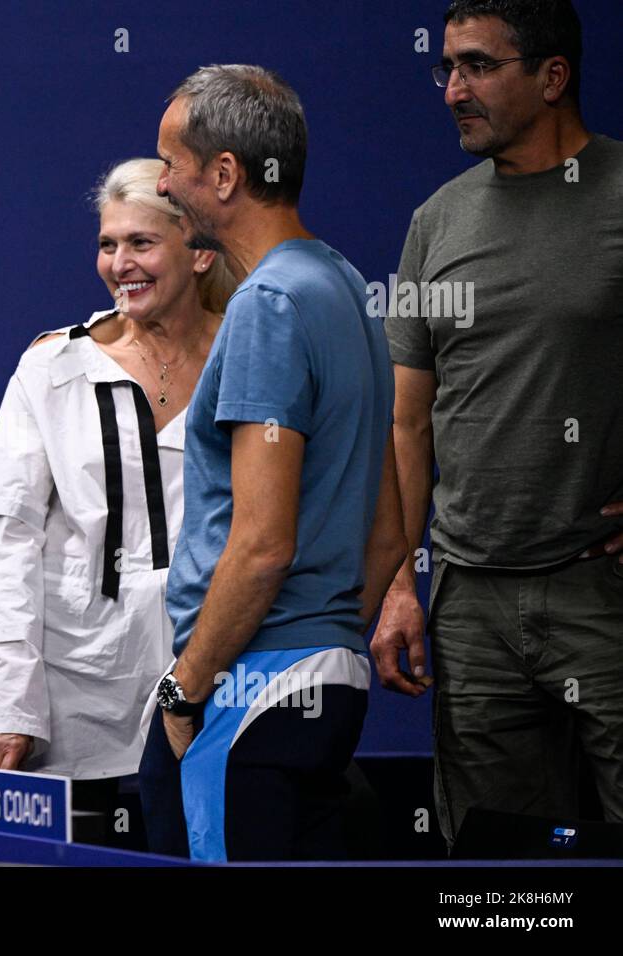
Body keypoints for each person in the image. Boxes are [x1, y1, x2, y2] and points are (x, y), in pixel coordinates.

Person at [372, 0, 623, 849]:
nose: (451, 90)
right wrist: (402, 584)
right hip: (471, 602)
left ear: (553, 77)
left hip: (602, 590)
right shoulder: (434, 222)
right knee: (497, 866)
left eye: (477, 66)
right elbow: (407, 423)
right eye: (446, 68)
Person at [142, 65, 406, 861]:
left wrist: (185, 691)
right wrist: (321, 642)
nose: (160, 183)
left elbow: (261, 546)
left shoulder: (267, 306)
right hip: (326, 685)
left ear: (225, 174)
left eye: (171, 164)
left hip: (248, 690)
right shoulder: (346, 287)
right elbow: (391, 535)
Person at [0, 158, 233, 847]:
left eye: (140, 243)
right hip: (76, 697)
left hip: (219, 675)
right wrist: (3, 706)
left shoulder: (248, 351)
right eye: (108, 244)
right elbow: (3, 539)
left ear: (197, 253)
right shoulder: (53, 369)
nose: (118, 263)